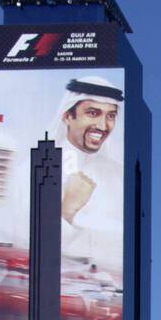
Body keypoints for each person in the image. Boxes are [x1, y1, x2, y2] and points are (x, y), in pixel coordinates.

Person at [53, 76, 125, 271]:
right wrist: (67, 211)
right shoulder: (36, 169)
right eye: (93, 113)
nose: (103, 126)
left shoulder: (120, 176)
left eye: (110, 116)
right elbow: (26, 243)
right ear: (67, 116)